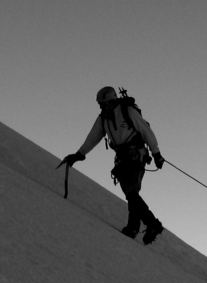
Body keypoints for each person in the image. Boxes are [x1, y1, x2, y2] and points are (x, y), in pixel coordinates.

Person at [61, 86, 166, 245]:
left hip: (137, 155)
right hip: (122, 159)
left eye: (103, 104)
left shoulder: (128, 111)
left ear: (111, 101)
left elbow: (145, 131)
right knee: (131, 193)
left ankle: (152, 223)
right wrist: (79, 154)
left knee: (131, 191)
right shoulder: (103, 118)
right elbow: (93, 138)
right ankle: (133, 227)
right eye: (100, 105)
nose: (102, 108)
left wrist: (156, 153)